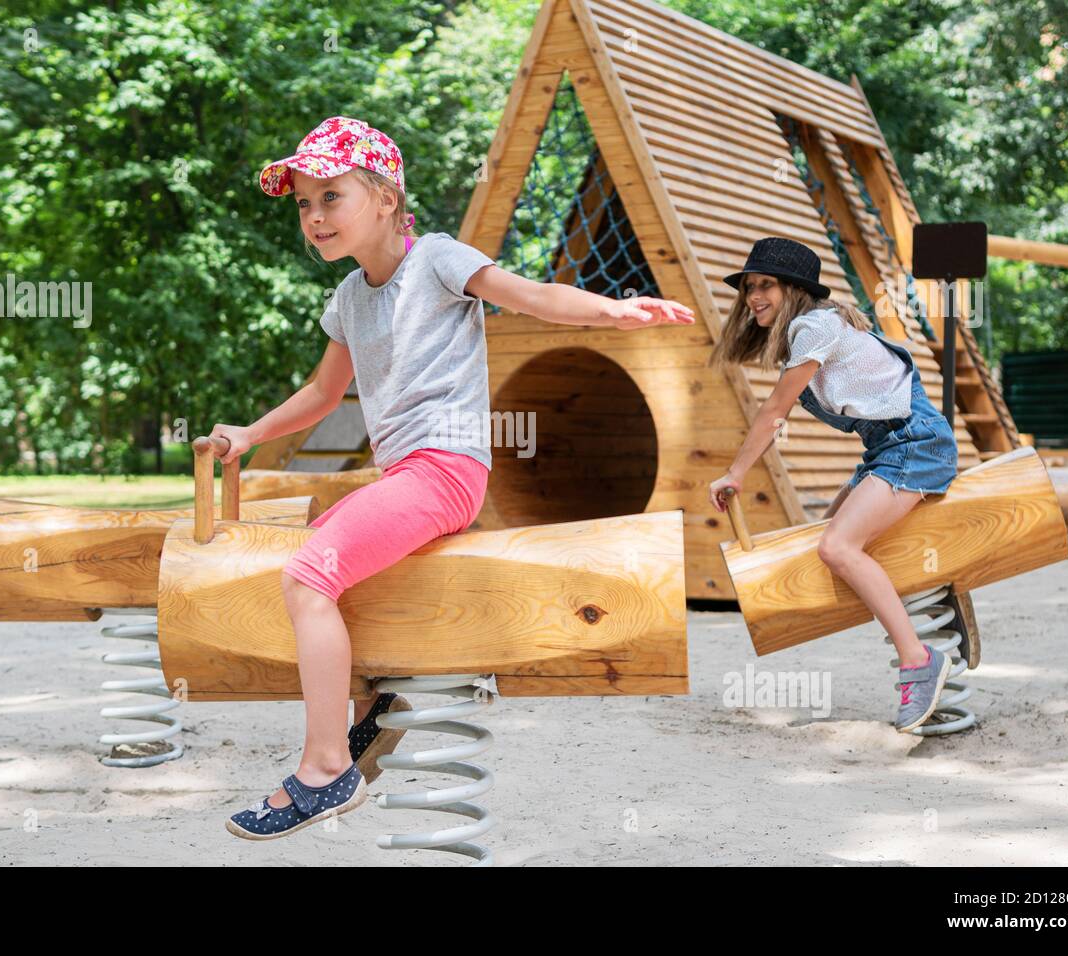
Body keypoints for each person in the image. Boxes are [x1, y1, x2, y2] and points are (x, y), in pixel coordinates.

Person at [213, 116, 696, 839]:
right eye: (304, 205)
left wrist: (612, 310)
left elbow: (527, 293)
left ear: (384, 198)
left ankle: (324, 771)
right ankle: (373, 715)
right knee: (329, 553)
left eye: (331, 197)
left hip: (444, 469)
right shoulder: (348, 298)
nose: (314, 217)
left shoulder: (435, 258)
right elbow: (322, 394)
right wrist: (250, 434)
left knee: (308, 575)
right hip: (403, 474)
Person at [706, 236, 959, 734]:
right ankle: (930, 611)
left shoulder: (814, 327)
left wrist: (736, 473)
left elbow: (773, 412)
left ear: (795, 290)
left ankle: (918, 659)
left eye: (766, 286)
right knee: (826, 533)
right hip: (888, 448)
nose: (754, 296)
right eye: (749, 287)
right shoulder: (814, 332)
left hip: (915, 444)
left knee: (837, 547)